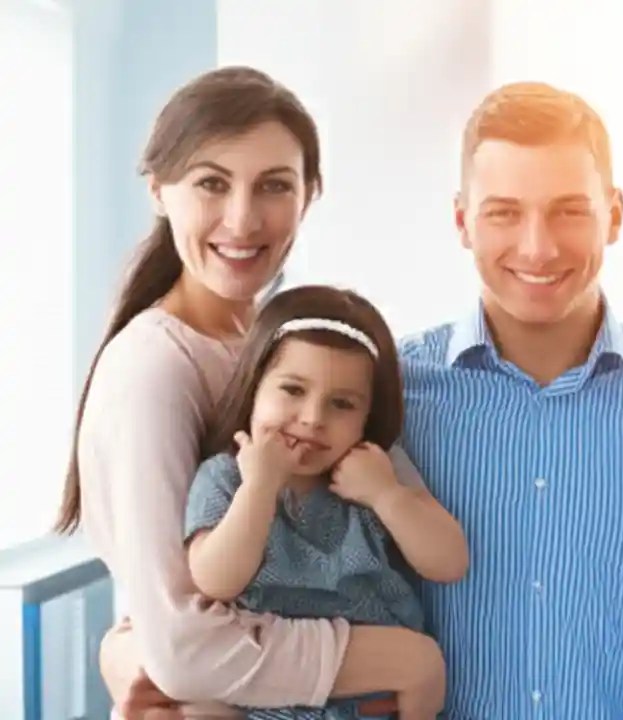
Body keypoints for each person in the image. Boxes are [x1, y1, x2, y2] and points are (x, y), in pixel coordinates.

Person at [61, 66, 448, 718]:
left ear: (310, 194)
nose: (242, 219)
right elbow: (183, 646)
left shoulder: (271, 351)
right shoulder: (155, 368)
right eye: (211, 183)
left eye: (274, 186)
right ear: (158, 190)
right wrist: (404, 661)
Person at [369, 80, 623, 718]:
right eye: (504, 213)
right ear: (462, 221)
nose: (538, 247)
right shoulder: (385, 395)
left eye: (568, 211)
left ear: (614, 214)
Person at [184, 284, 469, 719]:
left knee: (428, 670)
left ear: (368, 416)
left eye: (342, 404)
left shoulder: (376, 470)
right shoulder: (228, 475)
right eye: (293, 390)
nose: (314, 418)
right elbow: (215, 579)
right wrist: (258, 489)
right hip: (265, 694)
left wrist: (386, 494)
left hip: (370, 693)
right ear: (254, 386)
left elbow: (450, 562)